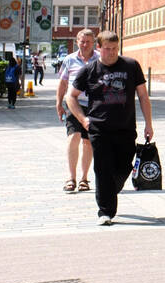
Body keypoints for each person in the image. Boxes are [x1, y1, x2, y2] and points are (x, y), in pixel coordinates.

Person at [65, 30, 154, 225]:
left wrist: (149, 123)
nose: (112, 52)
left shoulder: (131, 66)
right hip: (99, 129)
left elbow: (143, 96)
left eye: (115, 48)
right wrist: (82, 119)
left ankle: (111, 189)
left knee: (123, 167)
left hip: (126, 128)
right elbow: (70, 97)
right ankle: (105, 212)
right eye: (107, 49)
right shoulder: (89, 70)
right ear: (99, 48)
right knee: (102, 169)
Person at [57, 29, 99, 194]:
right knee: (73, 137)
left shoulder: (100, 59)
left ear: (93, 42)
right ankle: (71, 178)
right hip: (73, 103)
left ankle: (84, 178)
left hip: (94, 105)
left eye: (88, 41)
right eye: (82, 41)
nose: (85, 44)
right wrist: (58, 103)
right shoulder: (69, 59)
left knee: (88, 141)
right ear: (77, 42)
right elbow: (62, 83)